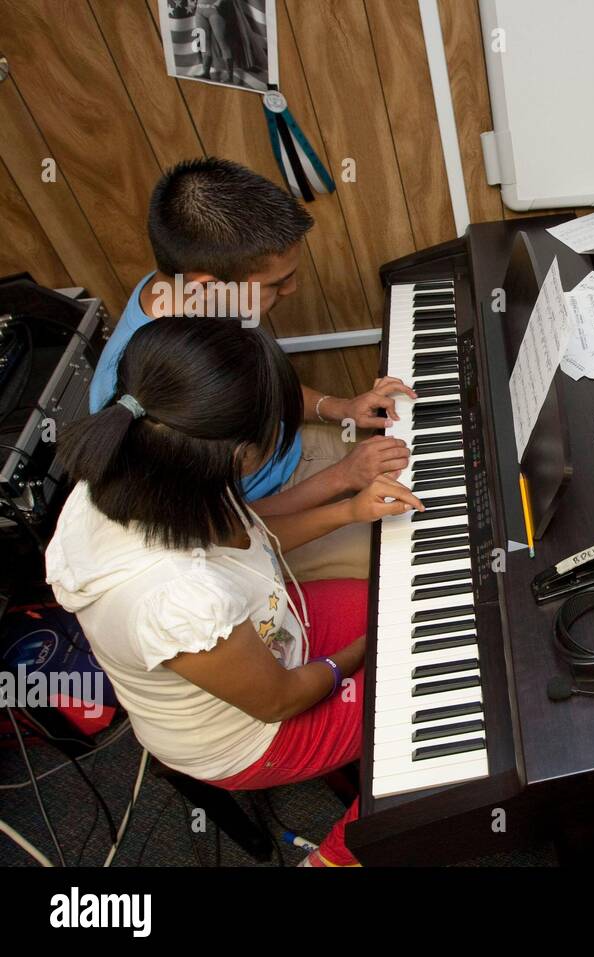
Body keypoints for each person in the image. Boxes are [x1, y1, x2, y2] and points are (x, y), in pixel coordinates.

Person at [48, 319, 423, 867]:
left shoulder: (142, 463)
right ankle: (335, 858)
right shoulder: (172, 598)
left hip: (270, 632)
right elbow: (282, 699)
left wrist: (348, 503)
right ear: (243, 454)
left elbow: (244, 537)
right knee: (425, 714)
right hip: (255, 732)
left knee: (410, 600)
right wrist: (374, 642)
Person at [90, 157, 415, 580]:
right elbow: (221, 533)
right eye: (276, 283)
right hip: (252, 530)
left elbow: (263, 388)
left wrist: (341, 408)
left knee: (431, 470)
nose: (292, 289)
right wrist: (341, 483)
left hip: (291, 461)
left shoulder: (185, 293)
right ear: (207, 284)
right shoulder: (145, 390)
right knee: (409, 563)